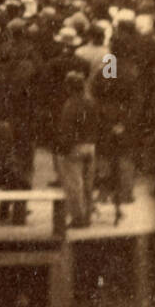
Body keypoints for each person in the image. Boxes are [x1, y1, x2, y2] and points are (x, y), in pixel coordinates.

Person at [55, 72, 97, 228]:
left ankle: (78, 218)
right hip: (90, 145)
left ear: (69, 87)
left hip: (75, 147)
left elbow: (67, 129)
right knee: (87, 184)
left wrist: (63, 149)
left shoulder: (70, 104)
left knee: (74, 184)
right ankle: (87, 216)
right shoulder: (91, 102)